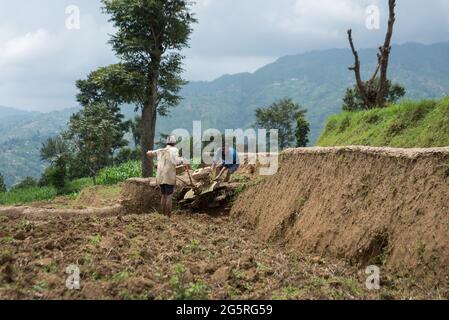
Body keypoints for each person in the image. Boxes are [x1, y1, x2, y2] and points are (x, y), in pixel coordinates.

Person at [146, 135, 188, 217]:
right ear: (174, 143)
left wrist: (155, 164)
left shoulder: (160, 150)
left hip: (160, 176)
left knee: (163, 195)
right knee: (169, 196)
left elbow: (148, 153)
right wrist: (183, 159)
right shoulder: (174, 150)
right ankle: (168, 216)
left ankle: (163, 215)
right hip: (169, 176)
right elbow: (176, 161)